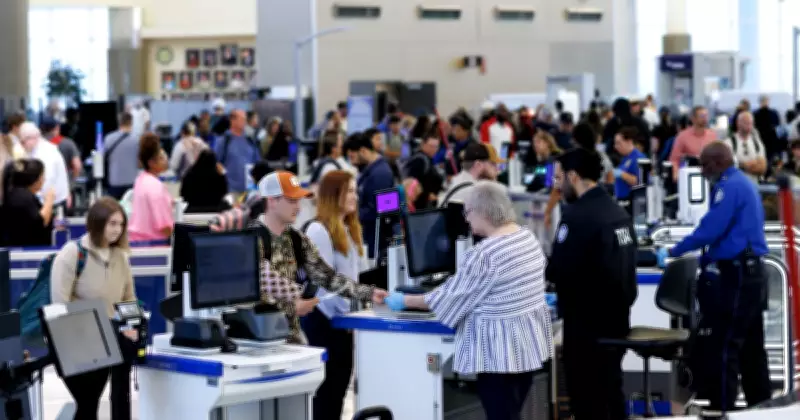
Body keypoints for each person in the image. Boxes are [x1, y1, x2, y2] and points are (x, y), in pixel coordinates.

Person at [384, 181, 553, 420]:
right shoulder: (527, 238)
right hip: (525, 351)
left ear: (483, 211)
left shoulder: (485, 254)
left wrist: (406, 300)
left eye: (468, 212)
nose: (466, 218)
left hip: (499, 357)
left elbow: (449, 297)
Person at [655, 142, 771, 414]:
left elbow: (710, 230)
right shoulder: (744, 183)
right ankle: (762, 410)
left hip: (739, 273)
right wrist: (706, 259)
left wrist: (674, 249)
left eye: (704, 165)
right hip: (754, 272)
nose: (702, 171)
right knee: (752, 350)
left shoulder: (728, 188)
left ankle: (722, 411)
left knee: (726, 347)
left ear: (717, 163)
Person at [241, 171, 387, 344]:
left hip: (292, 341)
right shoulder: (250, 240)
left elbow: (327, 277)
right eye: (292, 201)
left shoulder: (296, 238)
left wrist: (369, 293)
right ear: (272, 201)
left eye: (299, 201)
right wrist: (292, 306)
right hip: (258, 343)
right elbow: (246, 298)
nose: (299, 207)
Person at [547, 148, 638, 420]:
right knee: (611, 392)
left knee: (588, 401)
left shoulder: (578, 217)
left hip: (587, 327)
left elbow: (556, 270)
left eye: (559, 177)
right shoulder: (618, 212)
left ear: (573, 177)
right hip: (617, 322)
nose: (556, 184)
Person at [51, 198, 137, 420]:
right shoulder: (72, 253)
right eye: (112, 223)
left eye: (121, 224)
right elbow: (58, 304)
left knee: (93, 404)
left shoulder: (121, 258)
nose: (118, 230)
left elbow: (128, 298)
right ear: (97, 223)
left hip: (106, 339)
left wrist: (131, 325)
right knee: (87, 403)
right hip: (75, 341)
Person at [301, 170, 366, 420]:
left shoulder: (348, 230)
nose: (355, 197)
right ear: (333, 194)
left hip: (343, 325)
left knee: (337, 394)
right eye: (350, 191)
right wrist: (347, 315)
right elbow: (326, 283)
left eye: (355, 191)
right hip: (324, 324)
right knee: (325, 398)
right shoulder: (319, 230)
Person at [352, 131, 394, 258]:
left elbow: (384, 211)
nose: (352, 161)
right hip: (370, 236)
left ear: (363, 151)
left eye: (353, 156)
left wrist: (353, 215)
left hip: (375, 241)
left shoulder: (381, 174)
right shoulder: (370, 171)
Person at [128, 133, 173, 242]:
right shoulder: (156, 186)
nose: (165, 160)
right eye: (161, 158)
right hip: (154, 245)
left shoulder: (140, 180)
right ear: (151, 163)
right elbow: (165, 227)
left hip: (135, 242)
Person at [0, 159, 55, 247]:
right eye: (42, 176)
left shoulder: (23, 195)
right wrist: (49, 201)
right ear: (36, 179)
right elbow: (40, 222)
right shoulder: (23, 197)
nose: (44, 180)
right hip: (25, 250)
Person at [18, 122, 71, 210]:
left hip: (53, 203)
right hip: (47, 201)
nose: (22, 145)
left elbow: (46, 182)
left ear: (33, 138)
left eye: (23, 142)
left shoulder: (46, 153)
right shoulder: (36, 150)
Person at [438, 142, 503, 206]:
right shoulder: (477, 192)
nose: (497, 169)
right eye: (493, 164)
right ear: (478, 165)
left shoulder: (457, 181)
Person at [669, 106, 718, 180]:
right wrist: (676, 173)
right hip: (690, 175)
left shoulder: (712, 135)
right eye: (702, 116)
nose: (705, 118)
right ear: (693, 119)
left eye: (706, 115)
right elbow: (674, 159)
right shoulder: (682, 136)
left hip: (709, 176)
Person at [723, 112, 767, 184]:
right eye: (746, 122)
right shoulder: (729, 143)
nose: (749, 126)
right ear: (738, 123)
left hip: (753, 187)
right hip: (734, 186)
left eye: (750, 123)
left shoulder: (757, 143)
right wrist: (748, 165)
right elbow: (727, 168)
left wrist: (741, 165)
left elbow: (762, 168)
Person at [104, 112, 140, 199]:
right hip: (131, 181)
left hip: (114, 181)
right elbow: (140, 162)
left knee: (115, 209)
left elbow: (100, 156)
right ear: (131, 122)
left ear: (119, 122)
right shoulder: (137, 140)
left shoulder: (109, 138)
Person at [613, 126, 646, 209]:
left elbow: (641, 182)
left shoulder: (640, 158)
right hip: (622, 201)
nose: (616, 146)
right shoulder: (625, 158)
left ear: (629, 141)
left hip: (632, 203)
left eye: (619, 143)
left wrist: (622, 175)